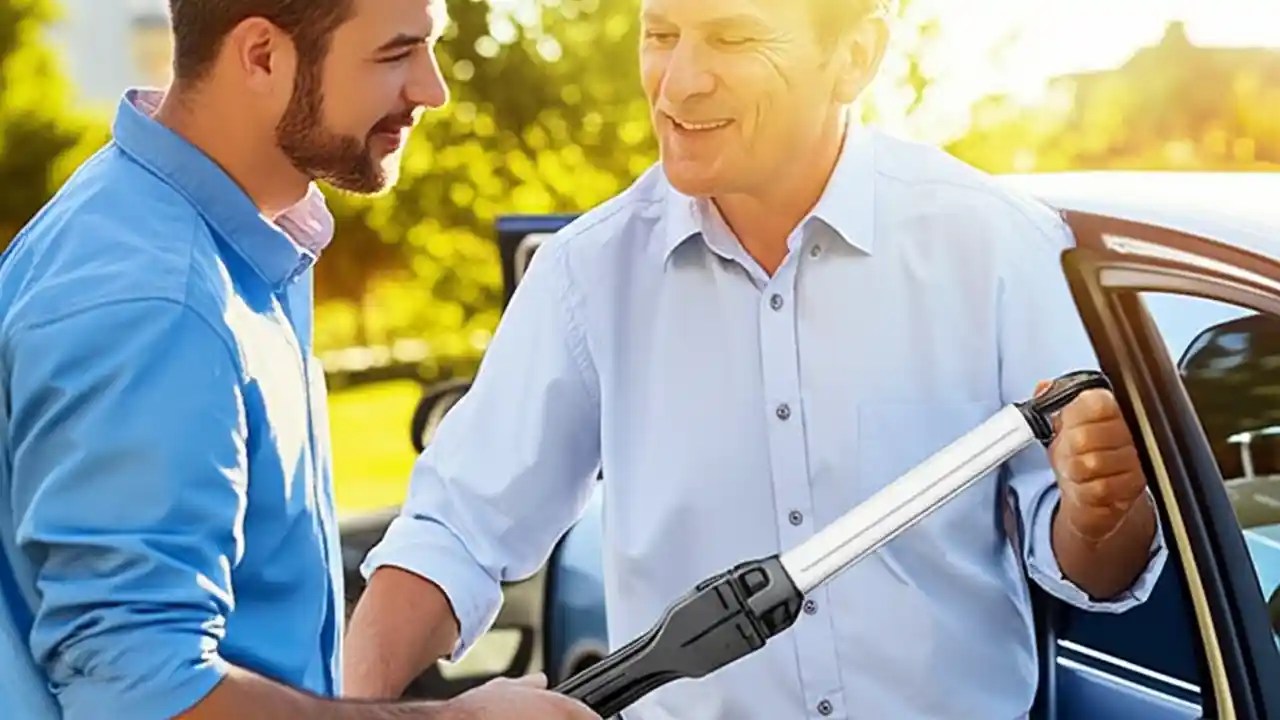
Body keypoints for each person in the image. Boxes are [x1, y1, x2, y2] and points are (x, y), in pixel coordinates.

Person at [343, 0, 1169, 718]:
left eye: (733, 38)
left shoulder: (998, 246)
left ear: (854, 56)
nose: (677, 84)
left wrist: (1103, 509)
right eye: (660, 34)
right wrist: (350, 712)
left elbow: (1095, 566)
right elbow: (456, 534)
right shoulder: (587, 275)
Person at [0, 1, 597, 719]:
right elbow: (144, 695)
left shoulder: (221, 240)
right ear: (261, 56)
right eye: (396, 54)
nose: (432, 89)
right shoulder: (158, 300)